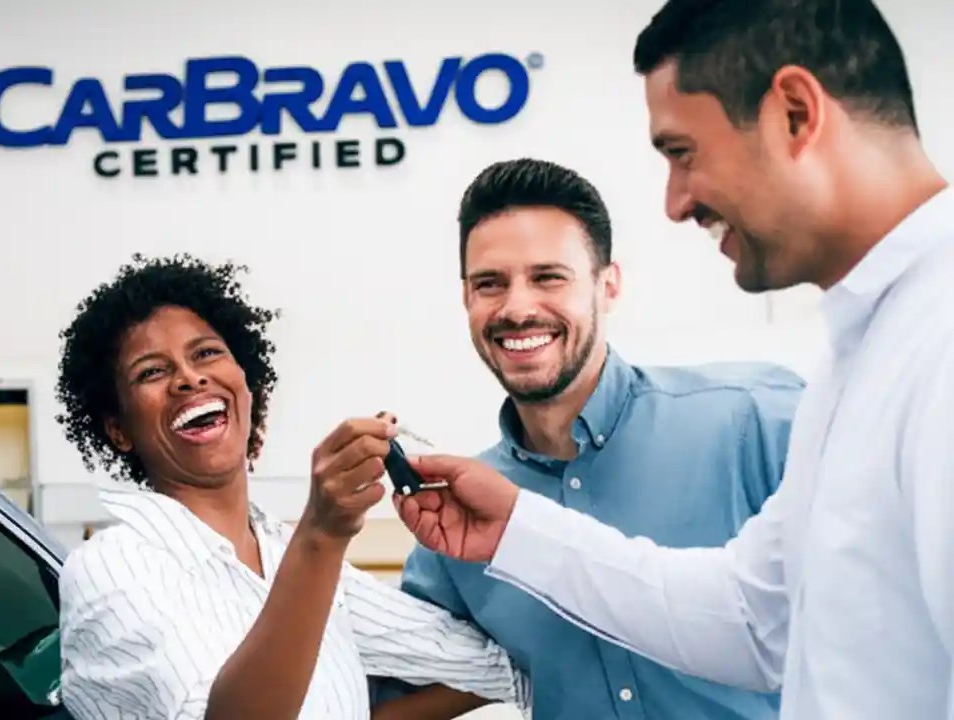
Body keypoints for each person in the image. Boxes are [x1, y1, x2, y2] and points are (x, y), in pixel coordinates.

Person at [393, 1, 954, 719]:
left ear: (794, 113)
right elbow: (755, 621)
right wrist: (518, 531)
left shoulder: (933, 341)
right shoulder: (863, 357)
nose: (675, 202)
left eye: (682, 153)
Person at [388, 157, 804, 720]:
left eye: (548, 277)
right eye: (490, 283)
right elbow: (380, 705)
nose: (517, 307)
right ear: (466, 298)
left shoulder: (757, 421)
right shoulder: (453, 521)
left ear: (608, 285)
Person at [53, 253, 529, 720]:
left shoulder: (283, 553)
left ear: (247, 385)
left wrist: (527, 535)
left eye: (206, 353)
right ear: (117, 429)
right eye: (152, 372)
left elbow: (488, 664)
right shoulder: (111, 568)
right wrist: (321, 534)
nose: (189, 377)